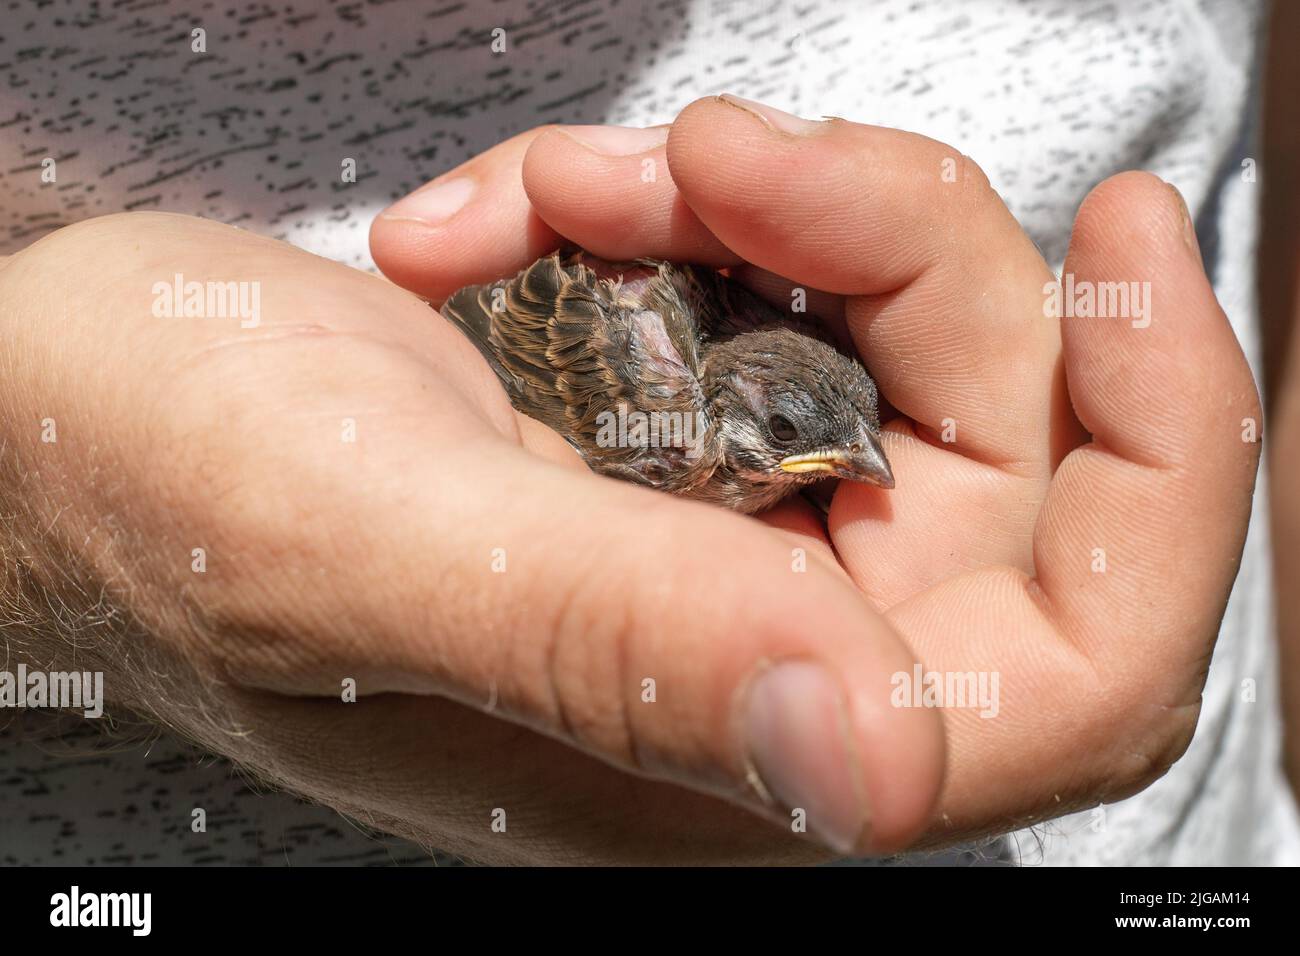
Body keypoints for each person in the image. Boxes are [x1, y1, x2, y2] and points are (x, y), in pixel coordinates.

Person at [1, 0, 1295, 866]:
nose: (856, 471)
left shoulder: (794, 395)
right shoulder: (660, 428)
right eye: (803, 439)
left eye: (847, 446)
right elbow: (502, 323)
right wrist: (42, 501)